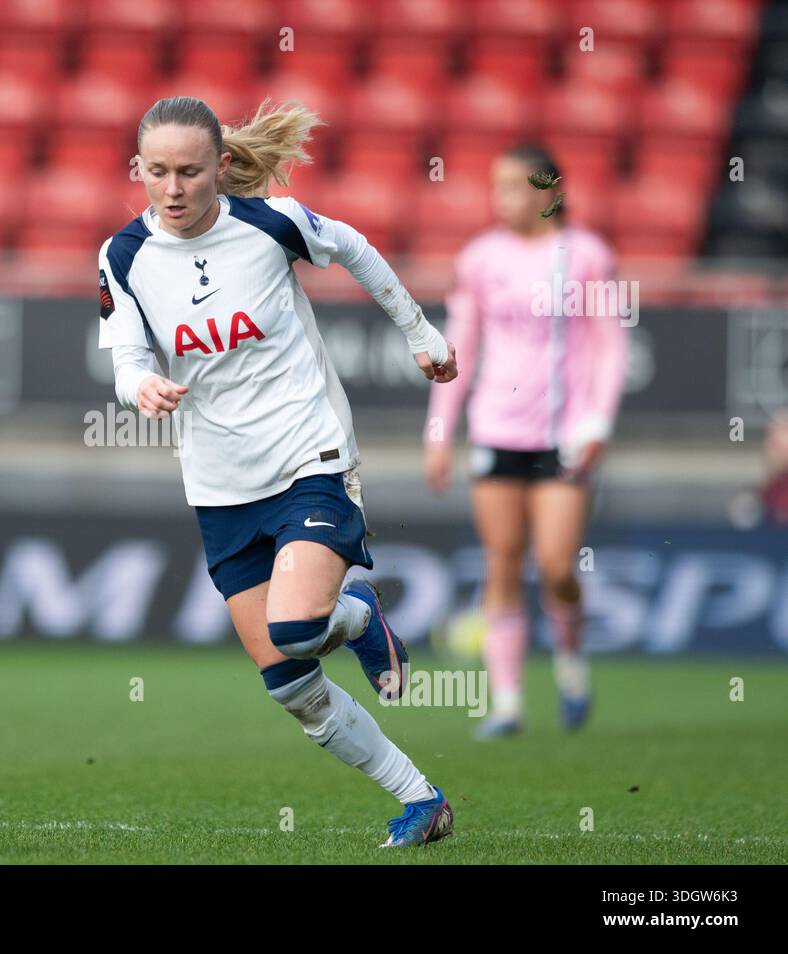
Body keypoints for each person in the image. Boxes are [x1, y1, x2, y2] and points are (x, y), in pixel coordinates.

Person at [99, 97, 459, 847]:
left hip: (308, 456)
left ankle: (355, 617)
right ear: (138, 170)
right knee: (290, 685)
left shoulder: (270, 224)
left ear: (222, 166)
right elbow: (129, 358)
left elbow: (355, 246)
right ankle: (422, 800)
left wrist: (420, 333)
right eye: (156, 171)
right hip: (218, 485)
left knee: (296, 629)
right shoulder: (123, 255)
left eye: (189, 171)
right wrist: (142, 388)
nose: (172, 188)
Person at [423, 144, 627, 739]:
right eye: (497, 186)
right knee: (503, 562)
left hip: (565, 435)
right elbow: (455, 351)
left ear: (547, 191)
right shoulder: (482, 257)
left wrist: (599, 422)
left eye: (514, 187)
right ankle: (508, 703)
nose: (502, 199)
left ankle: (569, 660)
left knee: (560, 565)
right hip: (496, 429)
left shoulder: (585, 254)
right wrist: (439, 433)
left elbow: (610, 345)